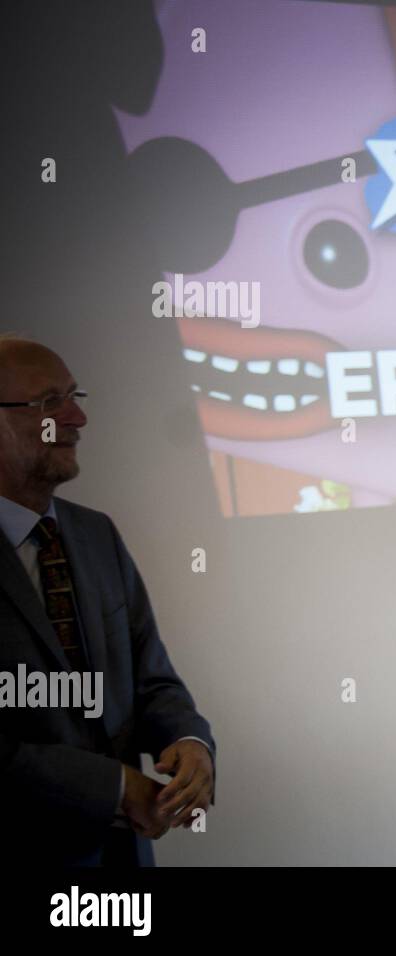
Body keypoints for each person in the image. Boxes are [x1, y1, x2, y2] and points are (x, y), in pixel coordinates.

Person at [0, 336, 214, 865]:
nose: (77, 417)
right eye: (49, 402)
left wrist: (190, 742)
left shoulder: (96, 535)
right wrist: (115, 788)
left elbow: (151, 678)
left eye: (74, 396)